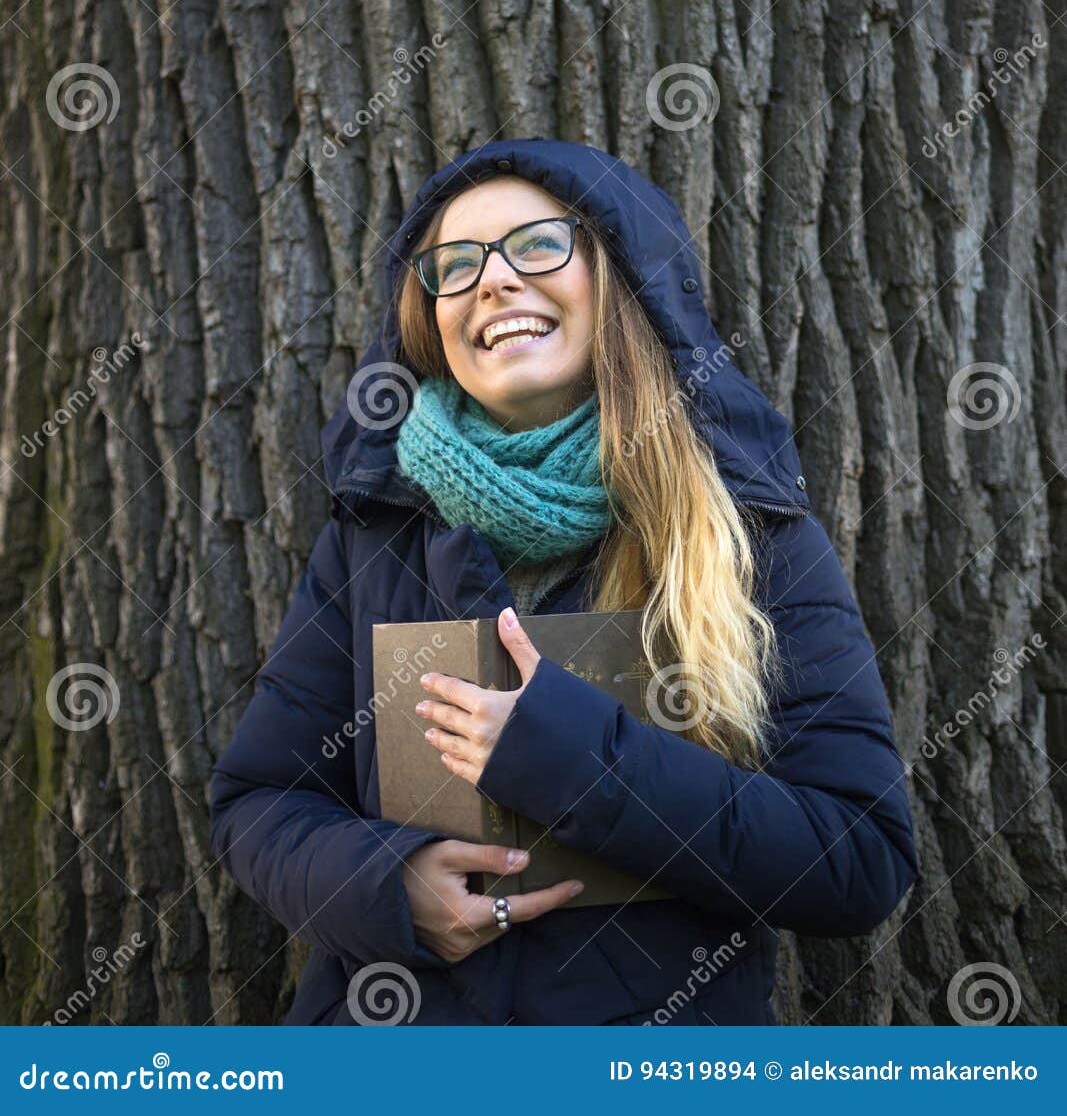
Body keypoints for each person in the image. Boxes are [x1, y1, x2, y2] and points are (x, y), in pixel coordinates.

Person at [209, 137, 918, 1025]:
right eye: (454, 265)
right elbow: (258, 803)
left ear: (620, 280)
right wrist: (386, 889)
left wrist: (575, 763)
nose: (493, 281)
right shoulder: (373, 530)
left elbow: (857, 861)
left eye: (539, 245)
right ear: (427, 316)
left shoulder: (746, 531)